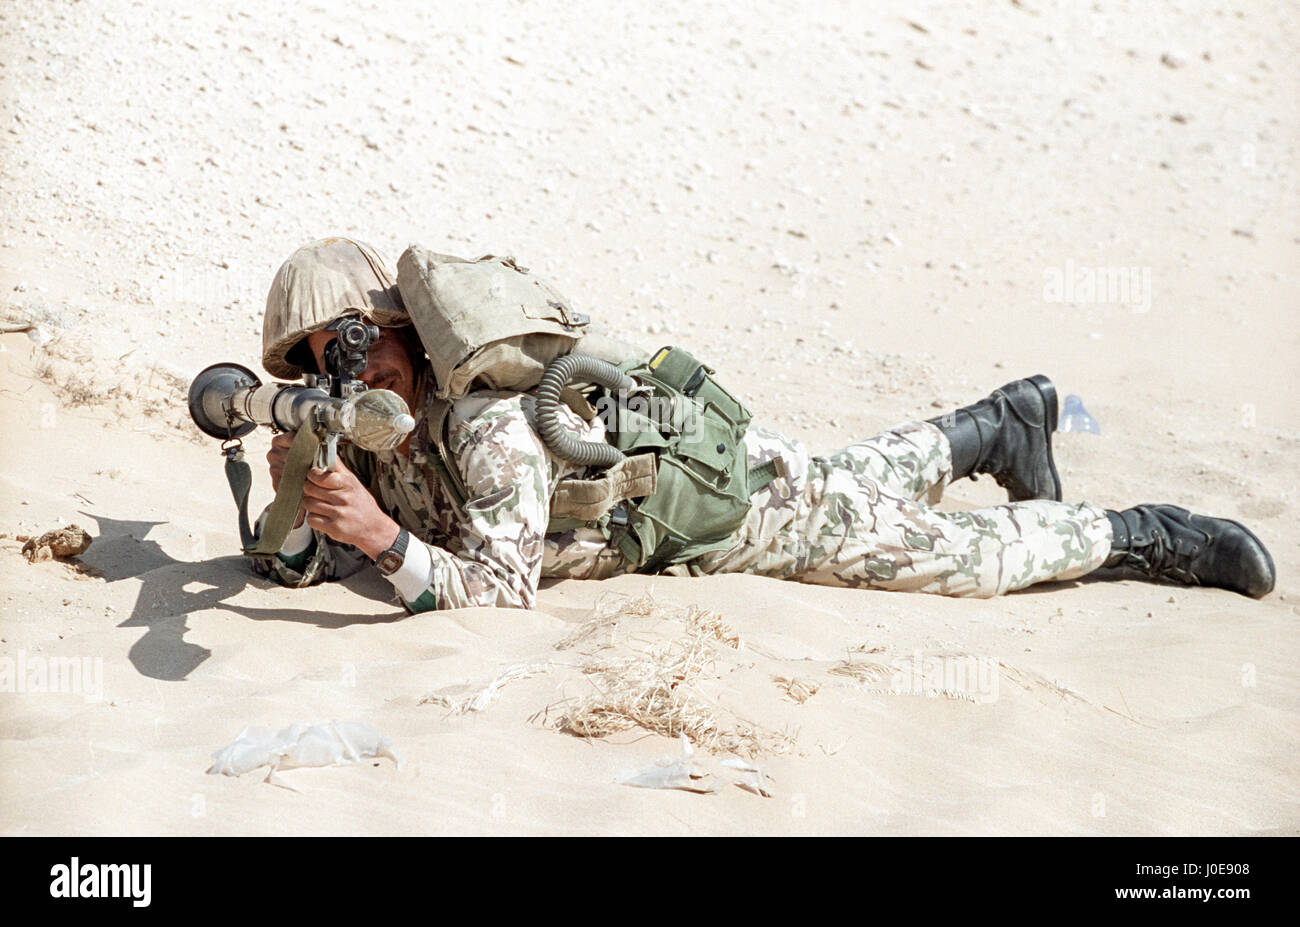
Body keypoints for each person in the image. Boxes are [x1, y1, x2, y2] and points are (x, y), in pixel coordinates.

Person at [250, 237, 1276, 612]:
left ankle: (1147, 535)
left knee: (952, 559)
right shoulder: (364, 434)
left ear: (401, 332)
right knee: (844, 475)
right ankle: (997, 427)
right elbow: (297, 574)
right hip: (720, 485)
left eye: (367, 346)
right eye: (325, 362)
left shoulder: (483, 427)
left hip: (731, 511)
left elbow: (502, 588)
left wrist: (382, 540)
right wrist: (304, 481)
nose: (358, 372)